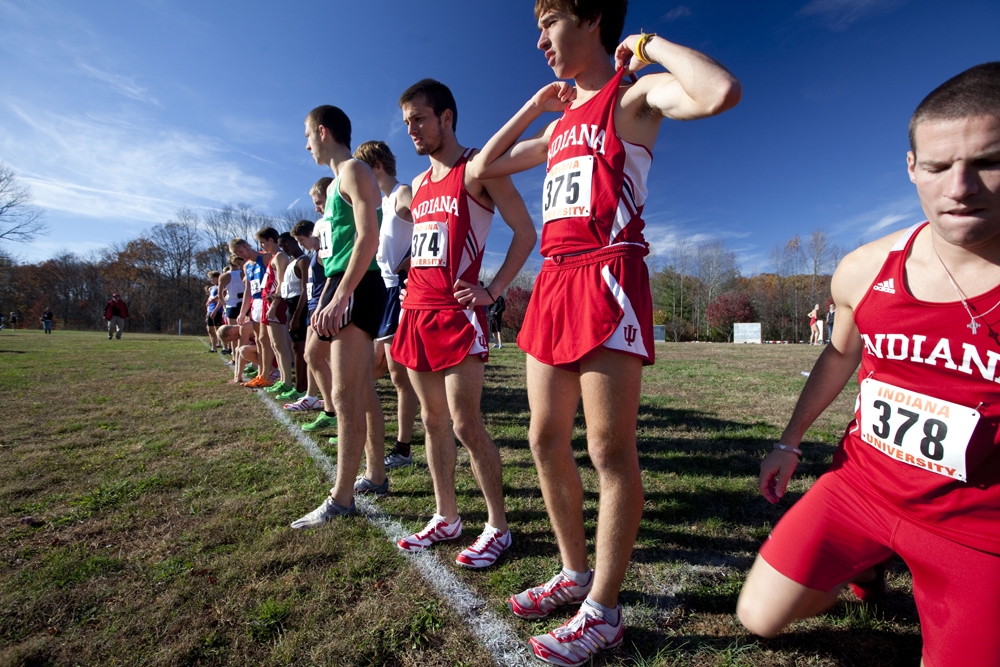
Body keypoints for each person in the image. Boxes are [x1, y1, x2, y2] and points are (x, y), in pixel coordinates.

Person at [468, 1, 741, 662]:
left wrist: (646, 43)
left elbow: (720, 91)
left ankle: (605, 611)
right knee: (543, 436)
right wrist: (536, 107)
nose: (539, 41)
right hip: (554, 283)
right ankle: (573, 571)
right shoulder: (560, 123)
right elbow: (482, 170)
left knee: (610, 451)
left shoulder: (634, 96)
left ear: (590, 19)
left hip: (608, 278)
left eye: (549, 23)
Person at [737, 62, 1000, 667]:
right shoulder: (863, 268)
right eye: (937, 167)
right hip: (862, 487)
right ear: (912, 169)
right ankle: (868, 563)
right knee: (758, 617)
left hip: (978, 528)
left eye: (987, 162)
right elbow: (840, 354)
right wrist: (790, 442)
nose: (959, 187)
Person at [390, 79, 536, 568]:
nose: (411, 129)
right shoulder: (420, 183)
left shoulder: (478, 168)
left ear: (446, 117)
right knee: (432, 423)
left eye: (420, 119)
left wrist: (492, 292)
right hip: (416, 314)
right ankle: (447, 516)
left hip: (458, 316)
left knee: (466, 424)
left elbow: (525, 233)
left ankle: (497, 527)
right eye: (407, 121)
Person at [290, 104, 388, 527]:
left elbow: (369, 236)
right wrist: (329, 291)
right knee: (345, 378)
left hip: (359, 284)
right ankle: (376, 474)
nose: (306, 143)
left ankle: (341, 497)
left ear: (324, 131)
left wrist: (342, 292)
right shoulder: (332, 189)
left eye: (307, 134)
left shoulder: (354, 171)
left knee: (349, 394)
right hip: (338, 283)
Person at [353, 140, 420, 469]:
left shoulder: (403, 193)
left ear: (375, 165)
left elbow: (433, 225)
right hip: (384, 293)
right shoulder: (378, 204)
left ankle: (403, 448)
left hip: (403, 291)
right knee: (373, 369)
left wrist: (410, 260)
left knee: (397, 374)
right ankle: (360, 430)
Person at [255, 226, 296, 397]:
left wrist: (273, 306)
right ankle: (282, 380)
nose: (262, 246)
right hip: (268, 303)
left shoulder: (280, 257)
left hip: (276, 304)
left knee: (280, 345)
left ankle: (287, 382)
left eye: (263, 243)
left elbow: (281, 284)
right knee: (273, 344)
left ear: (271, 240)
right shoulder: (273, 257)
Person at [230, 238, 273, 388]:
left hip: (266, 301)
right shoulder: (247, 266)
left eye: (241, 251)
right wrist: (243, 311)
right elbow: (248, 289)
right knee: (260, 341)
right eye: (238, 254)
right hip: (255, 304)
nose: (241, 255)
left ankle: (267, 374)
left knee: (265, 340)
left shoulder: (265, 257)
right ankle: (261, 373)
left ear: (247, 246)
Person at [277, 232, 311, 400]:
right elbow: (289, 289)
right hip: (290, 306)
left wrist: (297, 315)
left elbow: (305, 290)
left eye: (286, 243)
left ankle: (300, 388)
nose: (284, 247)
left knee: (300, 349)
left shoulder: (303, 261)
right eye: (281, 245)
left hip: (300, 308)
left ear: (294, 241)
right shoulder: (291, 262)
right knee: (296, 348)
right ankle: (300, 386)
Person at [205, 270, 224, 352]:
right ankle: (213, 347)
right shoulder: (212, 288)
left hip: (217, 310)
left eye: (212, 278)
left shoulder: (218, 287)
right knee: (210, 330)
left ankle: (224, 346)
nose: (210, 280)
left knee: (218, 330)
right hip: (210, 310)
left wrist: (214, 298)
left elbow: (222, 292)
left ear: (217, 277)